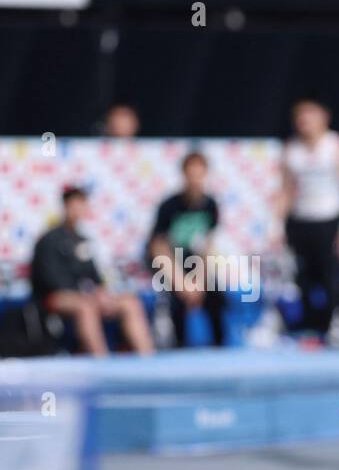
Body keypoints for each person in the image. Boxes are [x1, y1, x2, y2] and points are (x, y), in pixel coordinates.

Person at [29, 187, 154, 357]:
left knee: (130, 302)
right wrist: (86, 294)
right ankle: (101, 361)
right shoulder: (49, 240)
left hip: (86, 296)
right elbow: (49, 279)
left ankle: (148, 358)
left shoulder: (83, 240)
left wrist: (102, 294)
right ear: (65, 206)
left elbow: (94, 276)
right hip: (56, 297)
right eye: (74, 204)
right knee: (85, 307)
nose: (78, 209)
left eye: (82, 205)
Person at [280, 97, 339, 335]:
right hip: (301, 219)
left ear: (324, 116)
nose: (305, 121)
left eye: (310, 114)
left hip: (330, 219)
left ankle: (338, 319)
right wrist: (277, 226)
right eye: (300, 116)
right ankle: (308, 324)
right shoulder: (289, 148)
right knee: (303, 277)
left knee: (331, 275)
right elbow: (285, 190)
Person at [148, 152, 225, 347]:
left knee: (216, 296)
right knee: (176, 301)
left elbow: (207, 246)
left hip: (195, 266)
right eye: (191, 175)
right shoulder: (169, 206)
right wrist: (181, 283)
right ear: (183, 175)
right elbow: (158, 248)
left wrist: (199, 280)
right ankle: (178, 347)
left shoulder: (210, 205)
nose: (195, 181)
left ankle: (219, 349)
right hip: (171, 267)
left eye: (199, 175)